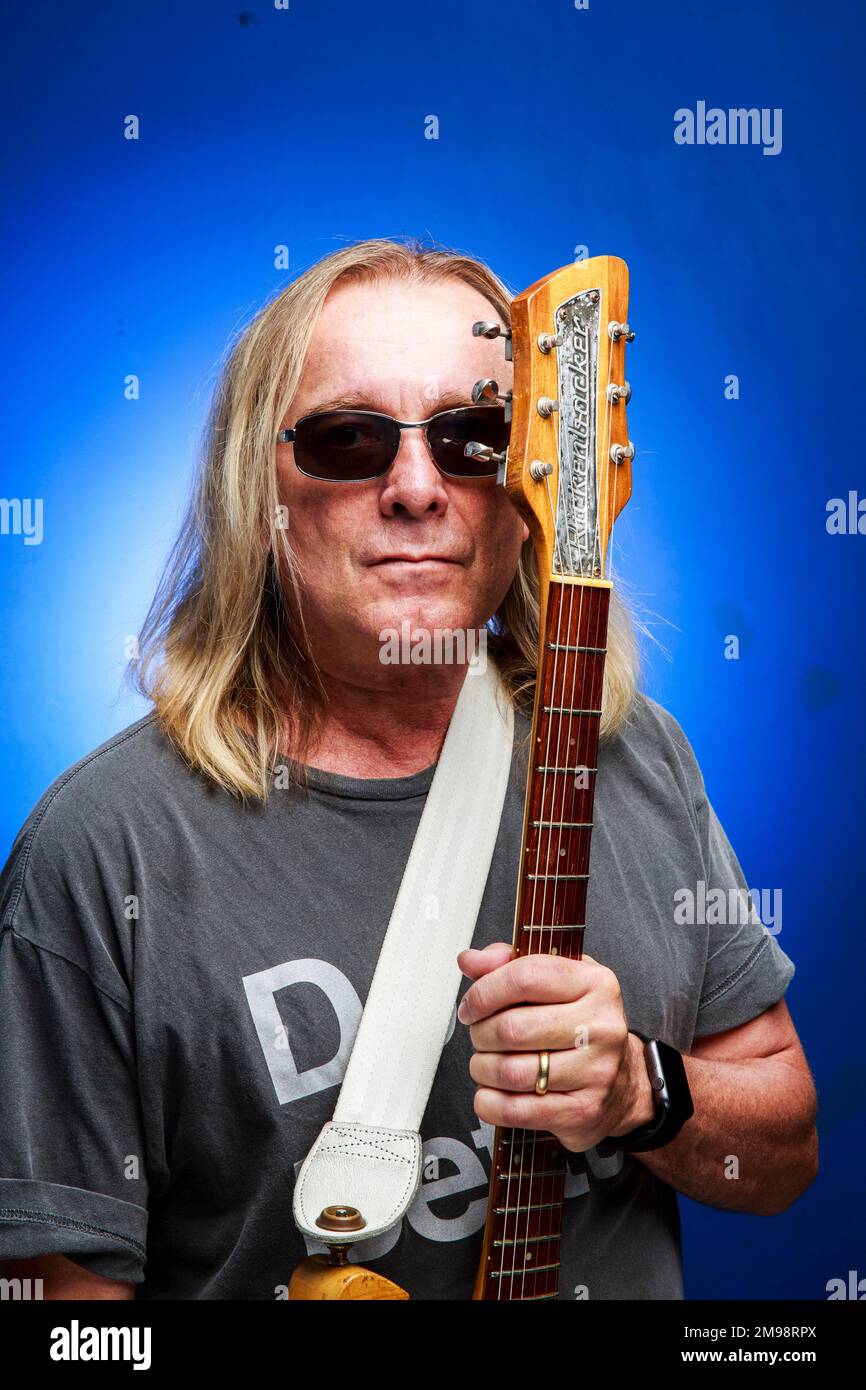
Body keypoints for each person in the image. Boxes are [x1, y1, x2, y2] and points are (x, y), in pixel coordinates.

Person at [0, 238, 817, 1301]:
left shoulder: (633, 756)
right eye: (348, 439)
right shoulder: (106, 848)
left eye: (473, 439)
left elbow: (782, 1157)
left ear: (527, 484)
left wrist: (641, 1089)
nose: (416, 487)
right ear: (261, 494)